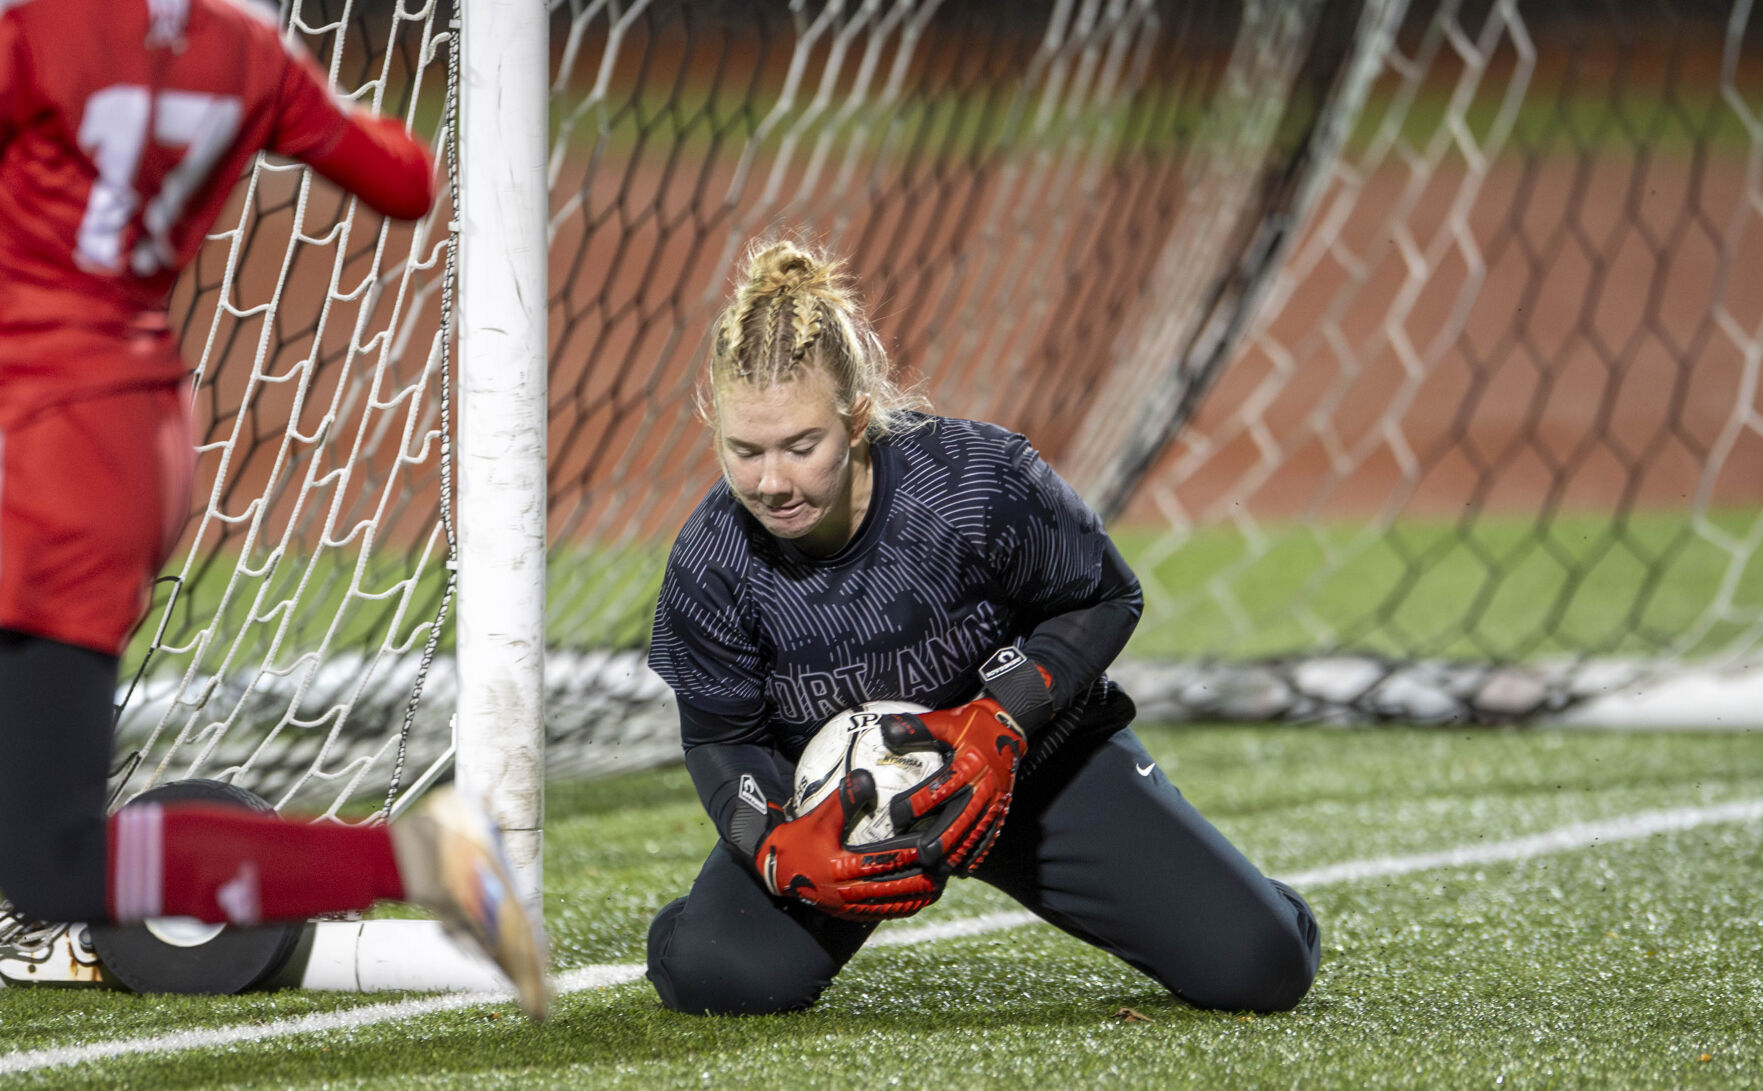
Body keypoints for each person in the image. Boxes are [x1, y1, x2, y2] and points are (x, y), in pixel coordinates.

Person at [0, 0, 547, 1017]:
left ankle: (419, 858)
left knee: (53, 855)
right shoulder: (243, 53)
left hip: (42, 443)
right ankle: (424, 859)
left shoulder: (39, 33)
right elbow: (405, 175)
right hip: (131, 436)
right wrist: (268, 84)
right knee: (45, 859)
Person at [644, 239, 1322, 1016]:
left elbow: (1103, 596)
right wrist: (772, 848)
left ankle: (1233, 895)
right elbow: (719, 735)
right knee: (717, 976)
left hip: (1034, 769)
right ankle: (693, 927)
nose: (771, 481)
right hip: (854, 808)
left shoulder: (974, 482)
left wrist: (1003, 717)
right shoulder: (712, 559)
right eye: (745, 450)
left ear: (857, 419)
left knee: (1257, 969)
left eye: (802, 447)